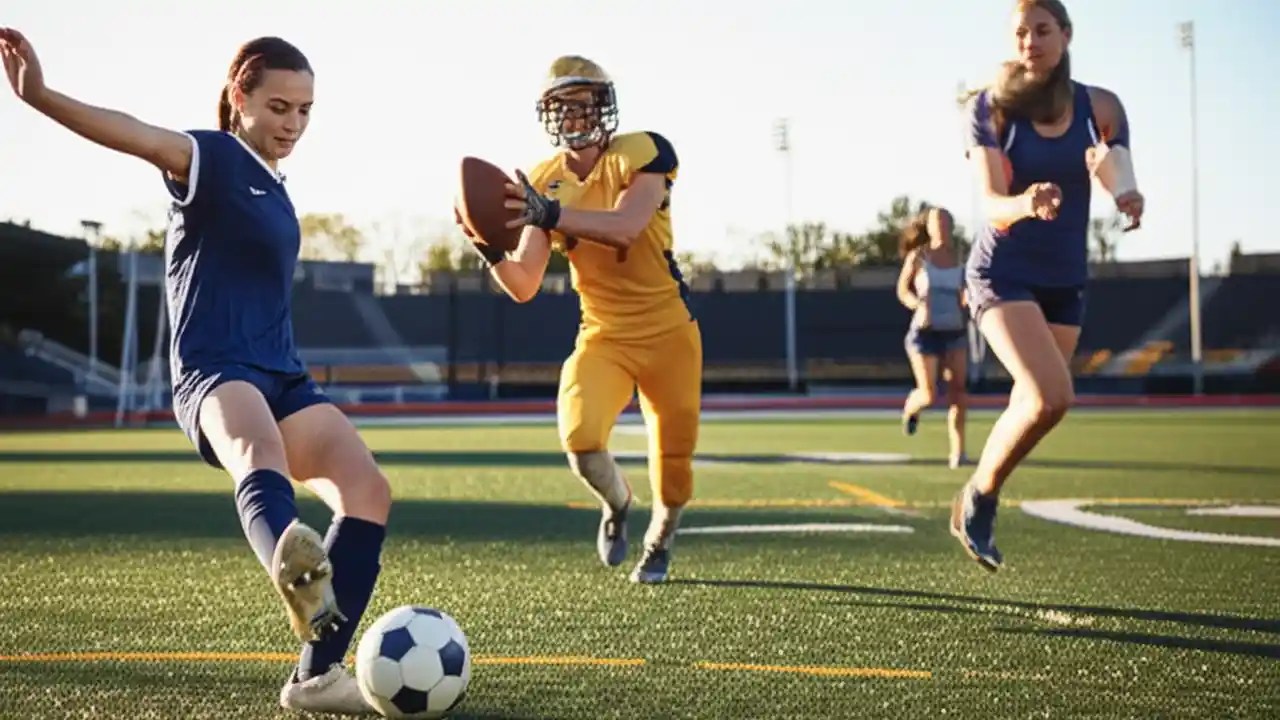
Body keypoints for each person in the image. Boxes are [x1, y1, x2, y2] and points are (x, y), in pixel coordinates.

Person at [1, 29, 390, 713]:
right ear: (239, 96)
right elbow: (133, 132)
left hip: (285, 375)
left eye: (304, 110)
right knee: (255, 450)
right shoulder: (209, 156)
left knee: (368, 492)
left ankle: (316, 679)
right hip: (216, 372)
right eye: (278, 107)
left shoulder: (277, 186)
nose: (293, 124)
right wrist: (40, 96)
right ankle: (292, 571)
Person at [461, 55, 701, 584]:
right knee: (581, 438)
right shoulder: (542, 182)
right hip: (604, 332)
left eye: (581, 104)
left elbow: (625, 227)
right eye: (561, 108)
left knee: (675, 451)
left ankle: (661, 535)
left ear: (603, 105)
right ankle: (617, 504)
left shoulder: (643, 152)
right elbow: (524, 284)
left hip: (668, 330)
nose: (572, 118)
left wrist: (547, 215)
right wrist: (489, 249)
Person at [954, 0, 1143, 571]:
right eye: (1020, 32)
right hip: (1001, 272)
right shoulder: (990, 108)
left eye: (1041, 29)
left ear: (1065, 34)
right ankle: (981, 499)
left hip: (1065, 278)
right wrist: (1025, 203)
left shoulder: (1100, 105)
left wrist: (1128, 197)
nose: (1030, 41)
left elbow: (1118, 166)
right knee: (1053, 394)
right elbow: (989, 202)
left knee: (1039, 406)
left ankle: (976, 494)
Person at [895, 207, 969, 470]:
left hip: (954, 331)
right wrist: (916, 303)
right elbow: (903, 290)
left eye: (946, 222)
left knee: (958, 393)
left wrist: (968, 300)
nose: (942, 228)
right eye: (937, 223)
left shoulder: (962, 257)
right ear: (929, 227)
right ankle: (911, 409)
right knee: (929, 394)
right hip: (924, 333)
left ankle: (958, 452)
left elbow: (968, 290)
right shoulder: (919, 257)